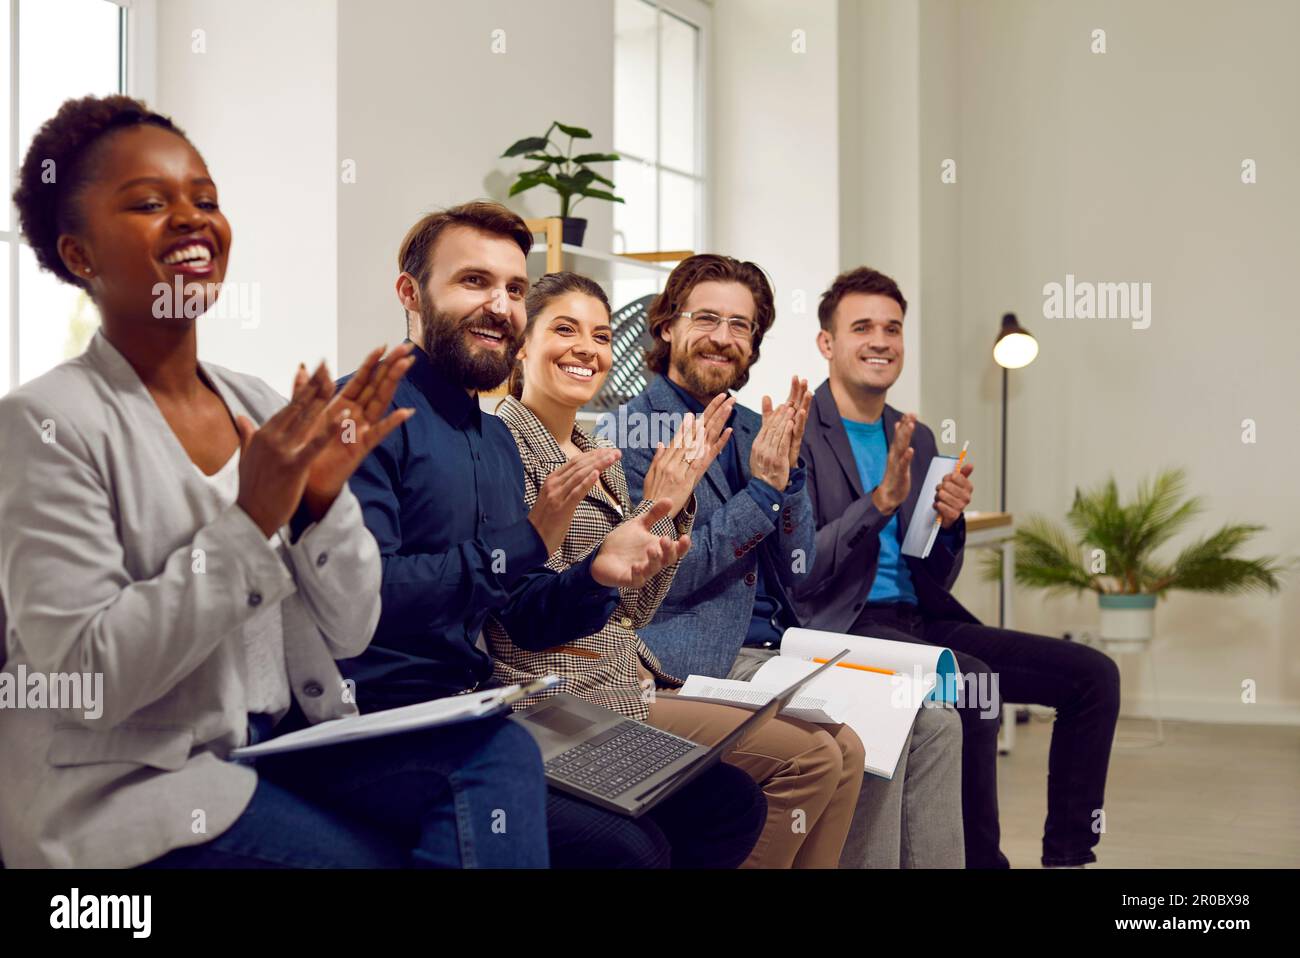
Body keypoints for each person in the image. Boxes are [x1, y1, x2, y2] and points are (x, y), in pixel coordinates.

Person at [0, 95, 549, 869]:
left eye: (205, 200)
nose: (191, 220)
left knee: (497, 754)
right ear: (80, 254)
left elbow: (350, 629)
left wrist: (322, 506)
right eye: (149, 203)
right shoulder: (45, 423)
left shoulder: (259, 403)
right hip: (127, 790)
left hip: (273, 749)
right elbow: (89, 682)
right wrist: (251, 519)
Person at [340, 204, 766, 868]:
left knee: (729, 805)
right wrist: (530, 541)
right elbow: (366, 598)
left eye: (514, 288)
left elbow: (524, 611)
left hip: (483, 705)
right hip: (387, 718)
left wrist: (596, 574)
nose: (499, 305)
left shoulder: (488, 439)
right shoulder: (367, 411)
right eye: (474, 281)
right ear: (410, 294)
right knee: (633, 849)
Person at [485, 271, 864, 868]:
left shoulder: (598, 450)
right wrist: (723, 499)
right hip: (579, 688)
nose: (586, 348)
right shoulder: (522, 444)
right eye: (564, 330)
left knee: (849, 747)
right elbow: (544, 609)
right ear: (520, 344)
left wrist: (771, 484)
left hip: (637, 670)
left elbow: (637, 600)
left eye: (600, 336)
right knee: (808, 759)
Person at [619, 254, 965, 868]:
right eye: (706, 318)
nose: (723, 337)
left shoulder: (760, 427)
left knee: (937, 721)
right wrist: (761, 493)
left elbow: (801, 569)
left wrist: (789, 479)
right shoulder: (634, 433)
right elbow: (665, 579)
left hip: (784, 646)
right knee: (884, 727)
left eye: (741, 325)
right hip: (694, 657)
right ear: (667, 325)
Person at [793, 265, 1121, 868]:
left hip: (919, 620)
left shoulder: (914, 436)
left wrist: (947, 524)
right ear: (826, 342)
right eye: (862, 327)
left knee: (1093, 676)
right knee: (972, 685)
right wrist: (879, 503)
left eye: (892, 328)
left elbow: (933, 574)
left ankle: (1070, 857)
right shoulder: (798, 433)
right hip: (842, 627)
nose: (880, 341)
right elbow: (801, 569)